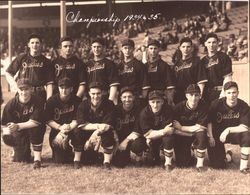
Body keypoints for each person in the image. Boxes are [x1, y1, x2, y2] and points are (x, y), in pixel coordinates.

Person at [1, 78, 46, 169]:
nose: (24, 92)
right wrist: (7, 134)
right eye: (21, 89)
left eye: (26, 89)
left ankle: (37, 159)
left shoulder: (38, 100)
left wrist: (18, 126)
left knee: (37, 128)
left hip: (33, 127)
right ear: (17, 90)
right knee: (21, 159)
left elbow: (35, 122)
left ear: (31, 89)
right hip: (20, 131)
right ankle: (19, 150)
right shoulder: (11, 104)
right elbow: (5, 124)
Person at [207, 81, 250, 174]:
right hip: (217, 134)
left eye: (234, 92)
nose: (232, 95)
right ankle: (228, 155)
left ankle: (243, 167)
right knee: (218, 166)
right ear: (225, 93)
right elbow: (209, 121)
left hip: (235, 133)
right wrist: (210, 136)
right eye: (229, 93)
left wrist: (228, 130)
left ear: (238, 93)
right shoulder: (216, 104)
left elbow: (245, 127)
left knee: (247, 136)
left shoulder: (244, 106)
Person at [76, 82, 117, 170]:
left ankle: (106, 162)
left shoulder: (109, 104)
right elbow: (81, 125)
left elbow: (107, 125)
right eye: (93, 94)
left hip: (103, 132)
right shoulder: (83, 104)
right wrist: (97, 127)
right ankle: (77, 160)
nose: (96, 96)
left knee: (108, 133)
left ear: (102, 93)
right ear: (89, 93)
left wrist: (96, 133)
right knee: (77, 132)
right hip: (88, 133)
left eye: (98, 93)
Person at [45, 77, 82, 168]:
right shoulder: (51, 101)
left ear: (71, 89)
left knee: (78, 132)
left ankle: (76, 157)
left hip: (72, 129)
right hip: (57, 130)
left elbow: (78, 118)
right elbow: (48, 119)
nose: (64, 90)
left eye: (67, 88)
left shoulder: (77, 100)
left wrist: (69, 127)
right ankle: (66, 152)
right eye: (61, 88)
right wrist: (60, 128)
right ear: (58, 88)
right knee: (60, 160)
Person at [5, 33, 53, 101]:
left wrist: (48, 100)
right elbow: (8, 73)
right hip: (23, 92)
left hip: (39, 94)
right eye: (32, 43)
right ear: (28, 44)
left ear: (41, 45)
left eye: (37, 43)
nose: (34, 45)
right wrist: (15, 86)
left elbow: (49, 83)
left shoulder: (46, 61)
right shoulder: (22, 58)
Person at [135, 90, 175, 171]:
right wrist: (163, 131)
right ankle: (145, 154)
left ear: (162, 102)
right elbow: (147, 134)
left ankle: (168, 163)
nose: (155, 105)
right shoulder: (144, 113)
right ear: (149, 102)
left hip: (161, 137)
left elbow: (169, 130)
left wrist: (160, 133)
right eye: (153, 102)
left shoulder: (168, 110)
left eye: (158, 102)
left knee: (168, 138)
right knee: (138, 146)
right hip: (149, 139)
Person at [173, 84, 208, 172]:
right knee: (182, 164)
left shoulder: (203, 106)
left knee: (202, 134)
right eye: (191, 95)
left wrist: (181, 127)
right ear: (186, 95)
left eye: (196, 95)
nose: (194, 98)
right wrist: (185, 132)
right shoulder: (178, 107)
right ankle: (191, 153)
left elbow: (200, 127)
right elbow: (173, 129)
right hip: (182, 136)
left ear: (200, 95)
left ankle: (199, 165)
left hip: (196, 134)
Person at [113, 87, 144, 167]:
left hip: (135, 137)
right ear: (120, 98)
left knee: (138, 144)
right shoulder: (115, 109)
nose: (127, 99)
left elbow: (138, 130)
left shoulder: (139, 109)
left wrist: (125, 141)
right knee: (119, 164)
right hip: (120, 139)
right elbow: (112, 128)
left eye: (130, 97)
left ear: (133, 97)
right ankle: (125, 156)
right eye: (124, 97)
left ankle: (138, 158)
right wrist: (117, 144)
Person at [172, 37, 207, 104]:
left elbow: (201, 82)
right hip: (179, 95)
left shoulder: (197, 61)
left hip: (192, 94)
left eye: (188, 47)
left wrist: (199, 96)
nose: (186, 49)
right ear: (180, 48)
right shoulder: (176, 64)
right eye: (183, 47)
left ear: (192, 48)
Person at [201, 33, 233, 103]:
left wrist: (223, 93)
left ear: (218, 43)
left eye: (214, 42)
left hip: (220, 91)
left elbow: (227, 78)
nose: (211, 45)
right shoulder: (203, 61)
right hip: (207, 94)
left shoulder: (224, 57)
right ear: (205, 44)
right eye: (209, 42)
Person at [86, 38, 119, 104]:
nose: (96, 49)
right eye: (94, 47)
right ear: (91, 48)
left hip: (104, 96)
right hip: (90, 97)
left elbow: (113, 84)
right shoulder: (87, 64)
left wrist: (110, 100)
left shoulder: (109, 63)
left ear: (103, 48)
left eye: (99, 47)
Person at [145, 39, 175, 106]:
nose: (153, 51)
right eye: (151, 48)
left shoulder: (164, 65)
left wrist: (170, 99)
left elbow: (170, 85)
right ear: (147, 49)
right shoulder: (144, 66)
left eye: (155, 48)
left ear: (159, 50)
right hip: (148, 97)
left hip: (161, 96)